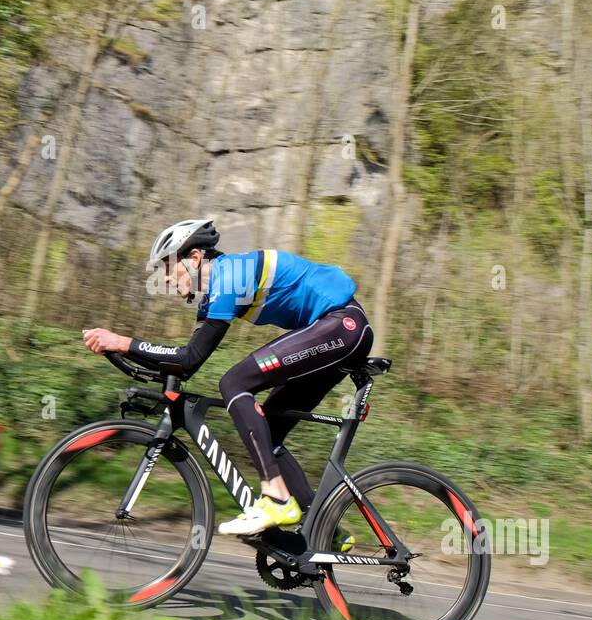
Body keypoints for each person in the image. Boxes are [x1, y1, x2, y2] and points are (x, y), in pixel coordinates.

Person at [81, 218, 373, 536]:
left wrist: (123, 343)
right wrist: (125, 352)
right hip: (337, 331)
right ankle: (326, 533)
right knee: (269, 430)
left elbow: (189, 358)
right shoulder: (219, 288)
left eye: (168, 268)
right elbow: (184, 363)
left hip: (342, 325)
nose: (165, 279)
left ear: (193, 258)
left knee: (234, 383)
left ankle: (276, 498)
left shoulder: (228, 278)